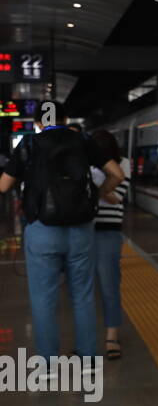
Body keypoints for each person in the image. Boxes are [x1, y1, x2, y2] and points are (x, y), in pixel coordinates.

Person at [0, 103, 125, 361]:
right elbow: (117, 174)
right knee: (82, 295)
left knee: (43, 299)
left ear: (37, 123)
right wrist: (99, 194)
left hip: (42, 229)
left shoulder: (29, 144)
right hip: (81, 230)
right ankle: (88, 358)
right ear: (66, 119)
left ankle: (48, 362)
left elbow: (3, 186)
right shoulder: (84, 140)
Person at [88, 129, 130, 361]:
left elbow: (116, 197)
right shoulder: (86, 162)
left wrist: (95, 186)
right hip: (82, 230)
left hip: (108, 233)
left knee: (109, 287)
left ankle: (111, 337)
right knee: (82, 291)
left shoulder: (124, 163)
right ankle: (87, 339)